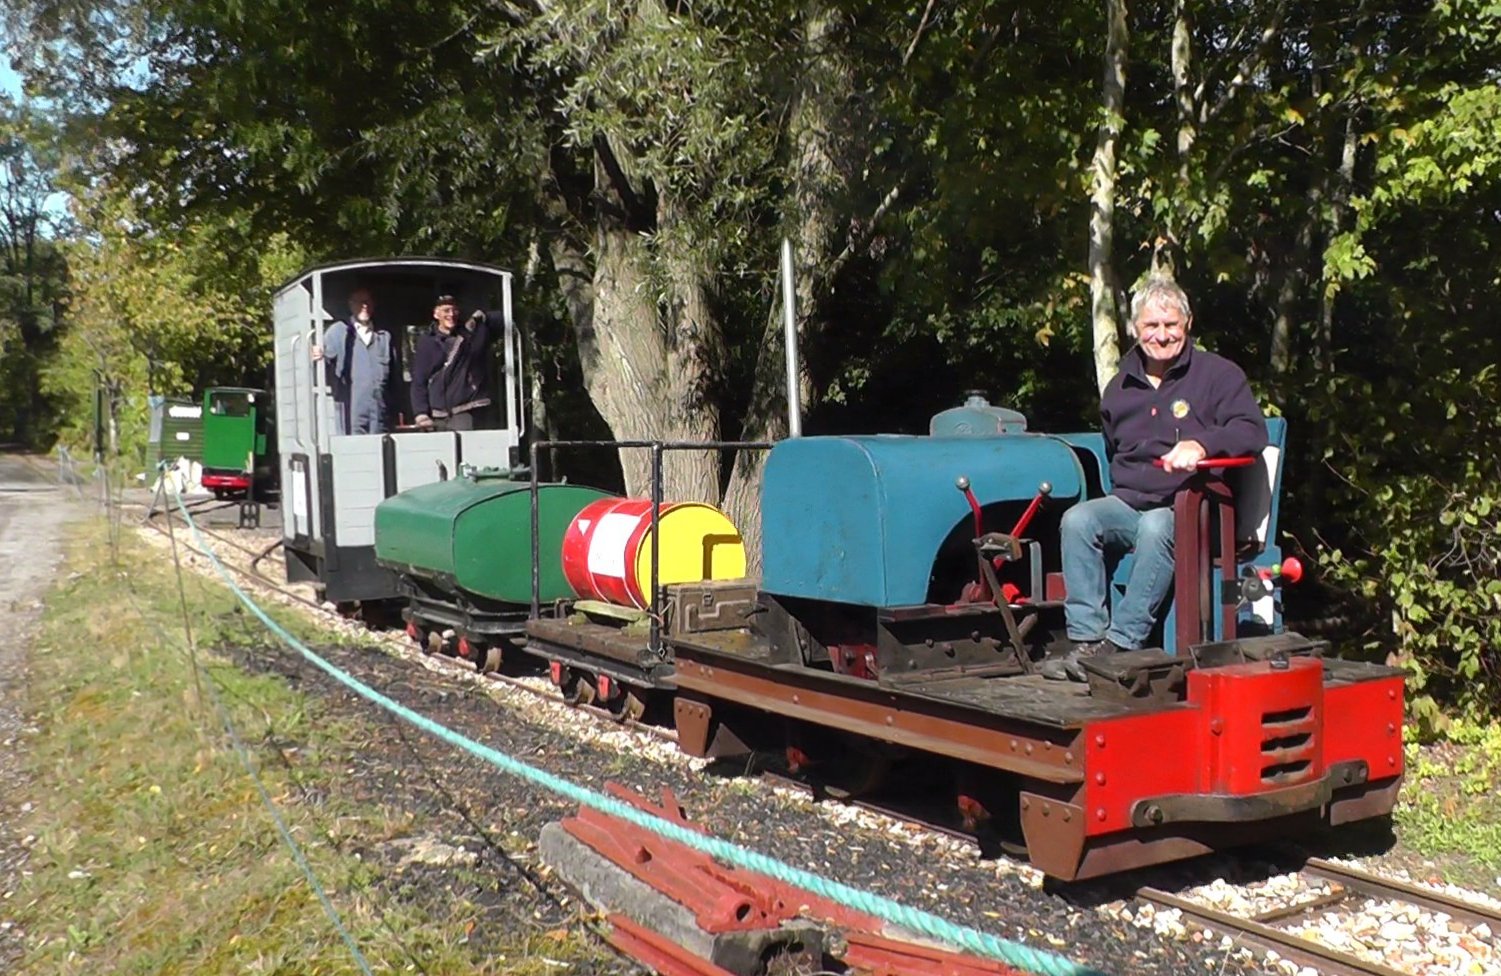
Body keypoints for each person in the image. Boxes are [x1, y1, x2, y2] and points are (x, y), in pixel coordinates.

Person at [1041, 277, 1268, 682]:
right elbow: (1115, 451)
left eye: (1171, 325)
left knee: (1158, 523)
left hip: (1199, 511)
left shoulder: (1218, 375)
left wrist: (1201, 445)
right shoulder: (1119, 388)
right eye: (1151, 326)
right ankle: (1086, 641)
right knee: (1080, 519)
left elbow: (1252, 431)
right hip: (1132, 504)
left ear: (1188, 323)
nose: (1161, 336)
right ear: (1134, 327)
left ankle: (1122, 645)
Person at [312, 287, 399, 435]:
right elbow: (322, 367)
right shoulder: (338, 332)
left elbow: (394, 377)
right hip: (350, 410)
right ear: (351, 305)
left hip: (379, 412)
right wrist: (317, 355)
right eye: (359, 302)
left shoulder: (384, 336)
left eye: (367, 302)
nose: (364, 306)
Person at [410, 294, 499, 431]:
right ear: (436, 314)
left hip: (464, 410)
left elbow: (502, 320)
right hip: (437, 414)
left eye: (454, 310)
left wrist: (482, 316)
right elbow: (419, 379)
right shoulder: (427, 342)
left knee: (464, 448)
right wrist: (421, 413)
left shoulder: (470, 335)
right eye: (446, 310)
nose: (451, 314)